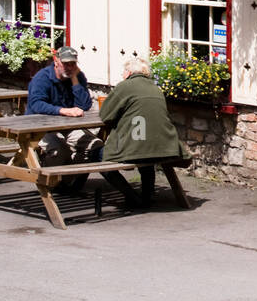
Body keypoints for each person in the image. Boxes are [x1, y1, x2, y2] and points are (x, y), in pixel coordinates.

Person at [100, 57, 187, 208]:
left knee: (96, 155)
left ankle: (132, 197)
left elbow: (105, 115)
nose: (122, 75)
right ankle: (148, 195)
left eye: (123, 71)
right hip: (163, 146)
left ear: (128, 72)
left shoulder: (124, 87)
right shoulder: (155, 88)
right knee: (145, 153)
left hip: (137, 146)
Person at [26, 46, 101, 189]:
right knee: (59, 150)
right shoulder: (42, 78)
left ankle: (73, 182)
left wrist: (74, 79)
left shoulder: (78, 76)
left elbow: (84, 105)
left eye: (73, 63)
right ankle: (53, 183)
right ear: (56, 61)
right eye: (66, 63)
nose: (69, 67)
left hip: (69, 126)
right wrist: (63, 110)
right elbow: (36, 104)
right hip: (40, 126)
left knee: (94, 146)